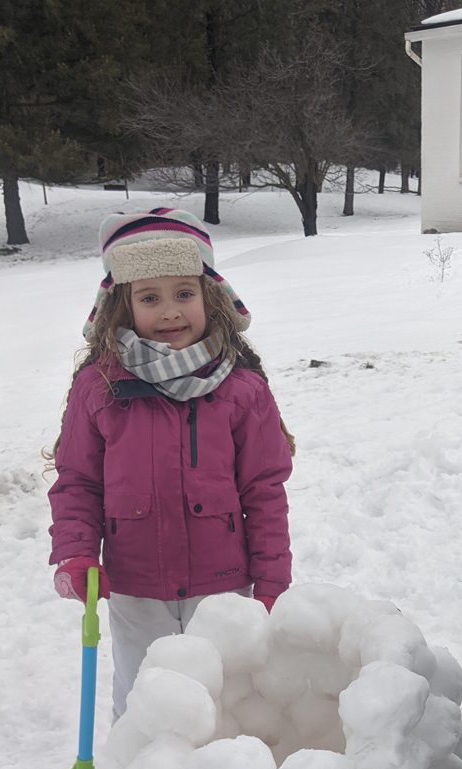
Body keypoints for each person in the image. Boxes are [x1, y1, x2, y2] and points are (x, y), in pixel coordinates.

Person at [48, 206, 293, 719]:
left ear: (212, 296)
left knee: (224, 700)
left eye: (184, 292)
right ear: (122, 304)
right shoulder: (100, 387)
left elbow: (265, 493)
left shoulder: (241, 390)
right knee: (146, 699)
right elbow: (77, 481)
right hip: (136, 584)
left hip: (223, 582)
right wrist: (76, 553)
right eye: (149, 297)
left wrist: (271, 584)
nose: (169, 312)